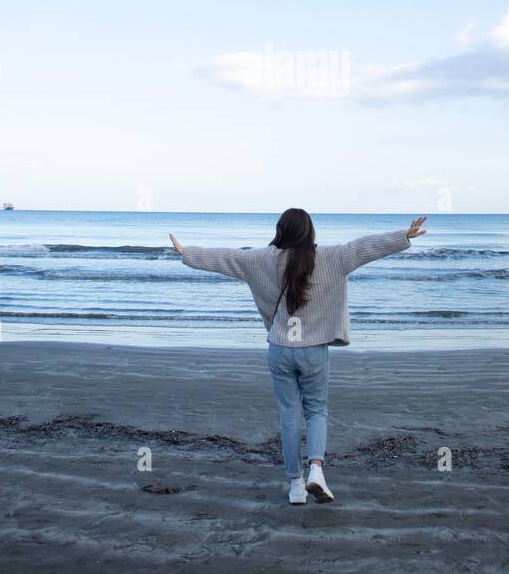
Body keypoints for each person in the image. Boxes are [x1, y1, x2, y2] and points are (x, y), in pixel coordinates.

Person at [169, 211, 427, 504]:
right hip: (313, 349)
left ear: (280, 230)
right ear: (310, 232)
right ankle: (316, 470)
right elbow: (364, 248)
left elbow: (227, 259)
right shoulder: (332, 257)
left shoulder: (260, 259)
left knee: (289, 415)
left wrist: (186, 252)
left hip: (280, 349)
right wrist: (403, 235)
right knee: (316, 410)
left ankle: (295, 484)